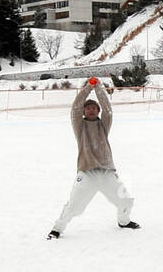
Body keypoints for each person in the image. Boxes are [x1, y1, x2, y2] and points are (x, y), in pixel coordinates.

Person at [48, 78, 138, 238]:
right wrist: (89, 87)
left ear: (97, 111)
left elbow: (108, 109)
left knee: (126, 200)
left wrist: (98, 88)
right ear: (84, 112)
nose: (90, 110)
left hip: (107, 172)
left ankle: (123, 221)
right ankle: (57, 229)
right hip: (86, 172)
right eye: (87, 108)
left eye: (94, 108)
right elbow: (75, 108)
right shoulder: (80, 126)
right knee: (74, 206)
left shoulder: (103, 125)